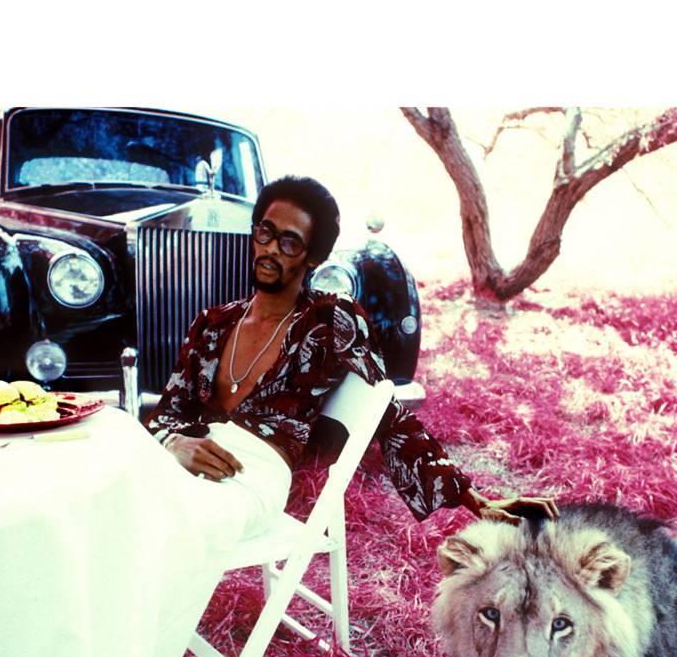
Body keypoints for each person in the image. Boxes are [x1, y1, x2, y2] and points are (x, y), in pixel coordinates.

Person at [145, 174, 556, 539]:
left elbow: (388, 413)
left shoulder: (330, 319)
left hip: (251, 480)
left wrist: (477, 501)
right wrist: (173, 443)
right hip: (185, 471)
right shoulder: (213, 324)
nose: (270, 249)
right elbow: (166, 416)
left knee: (154, 522)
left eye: (289, 242)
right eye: (265, 233)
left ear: (314, 257)